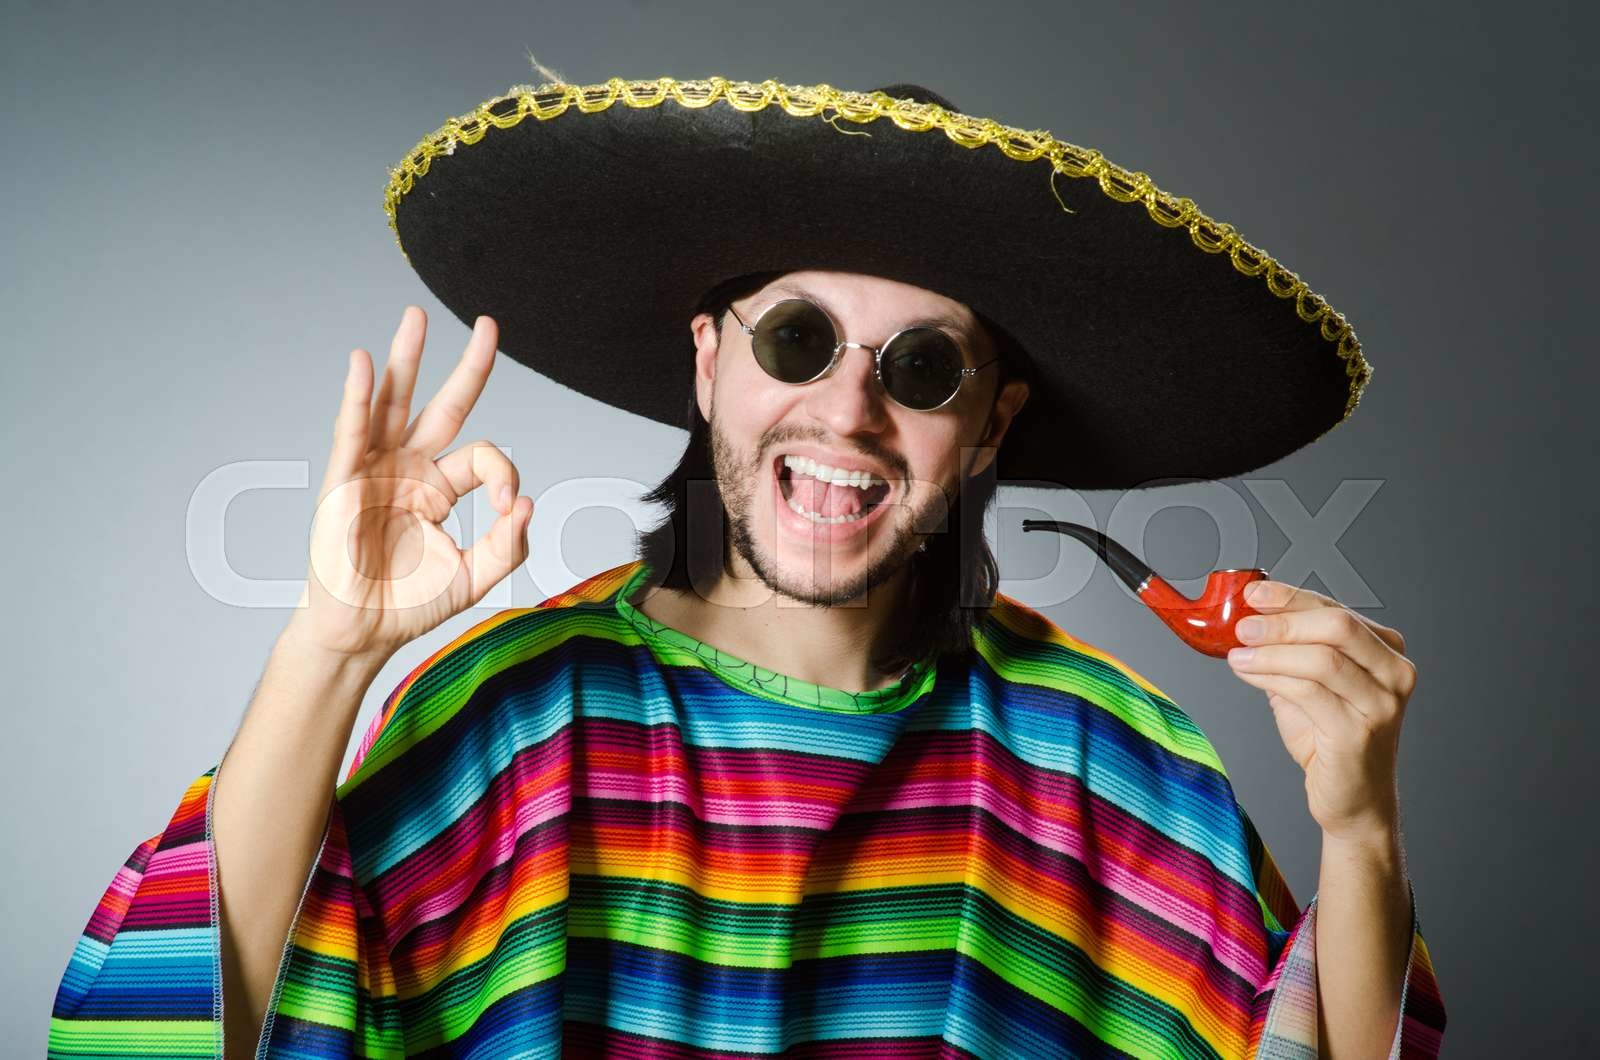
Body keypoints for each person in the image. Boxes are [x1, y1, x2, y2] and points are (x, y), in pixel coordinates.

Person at [48, 77, 1446, 1058]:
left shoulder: (1105, 757)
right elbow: (188, 1028)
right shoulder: (520, 715)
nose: (847, 413)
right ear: (710, 364)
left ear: (989, 425)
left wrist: (1363, 834)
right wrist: (329, 651)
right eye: (796, 343)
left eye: (922, 368)